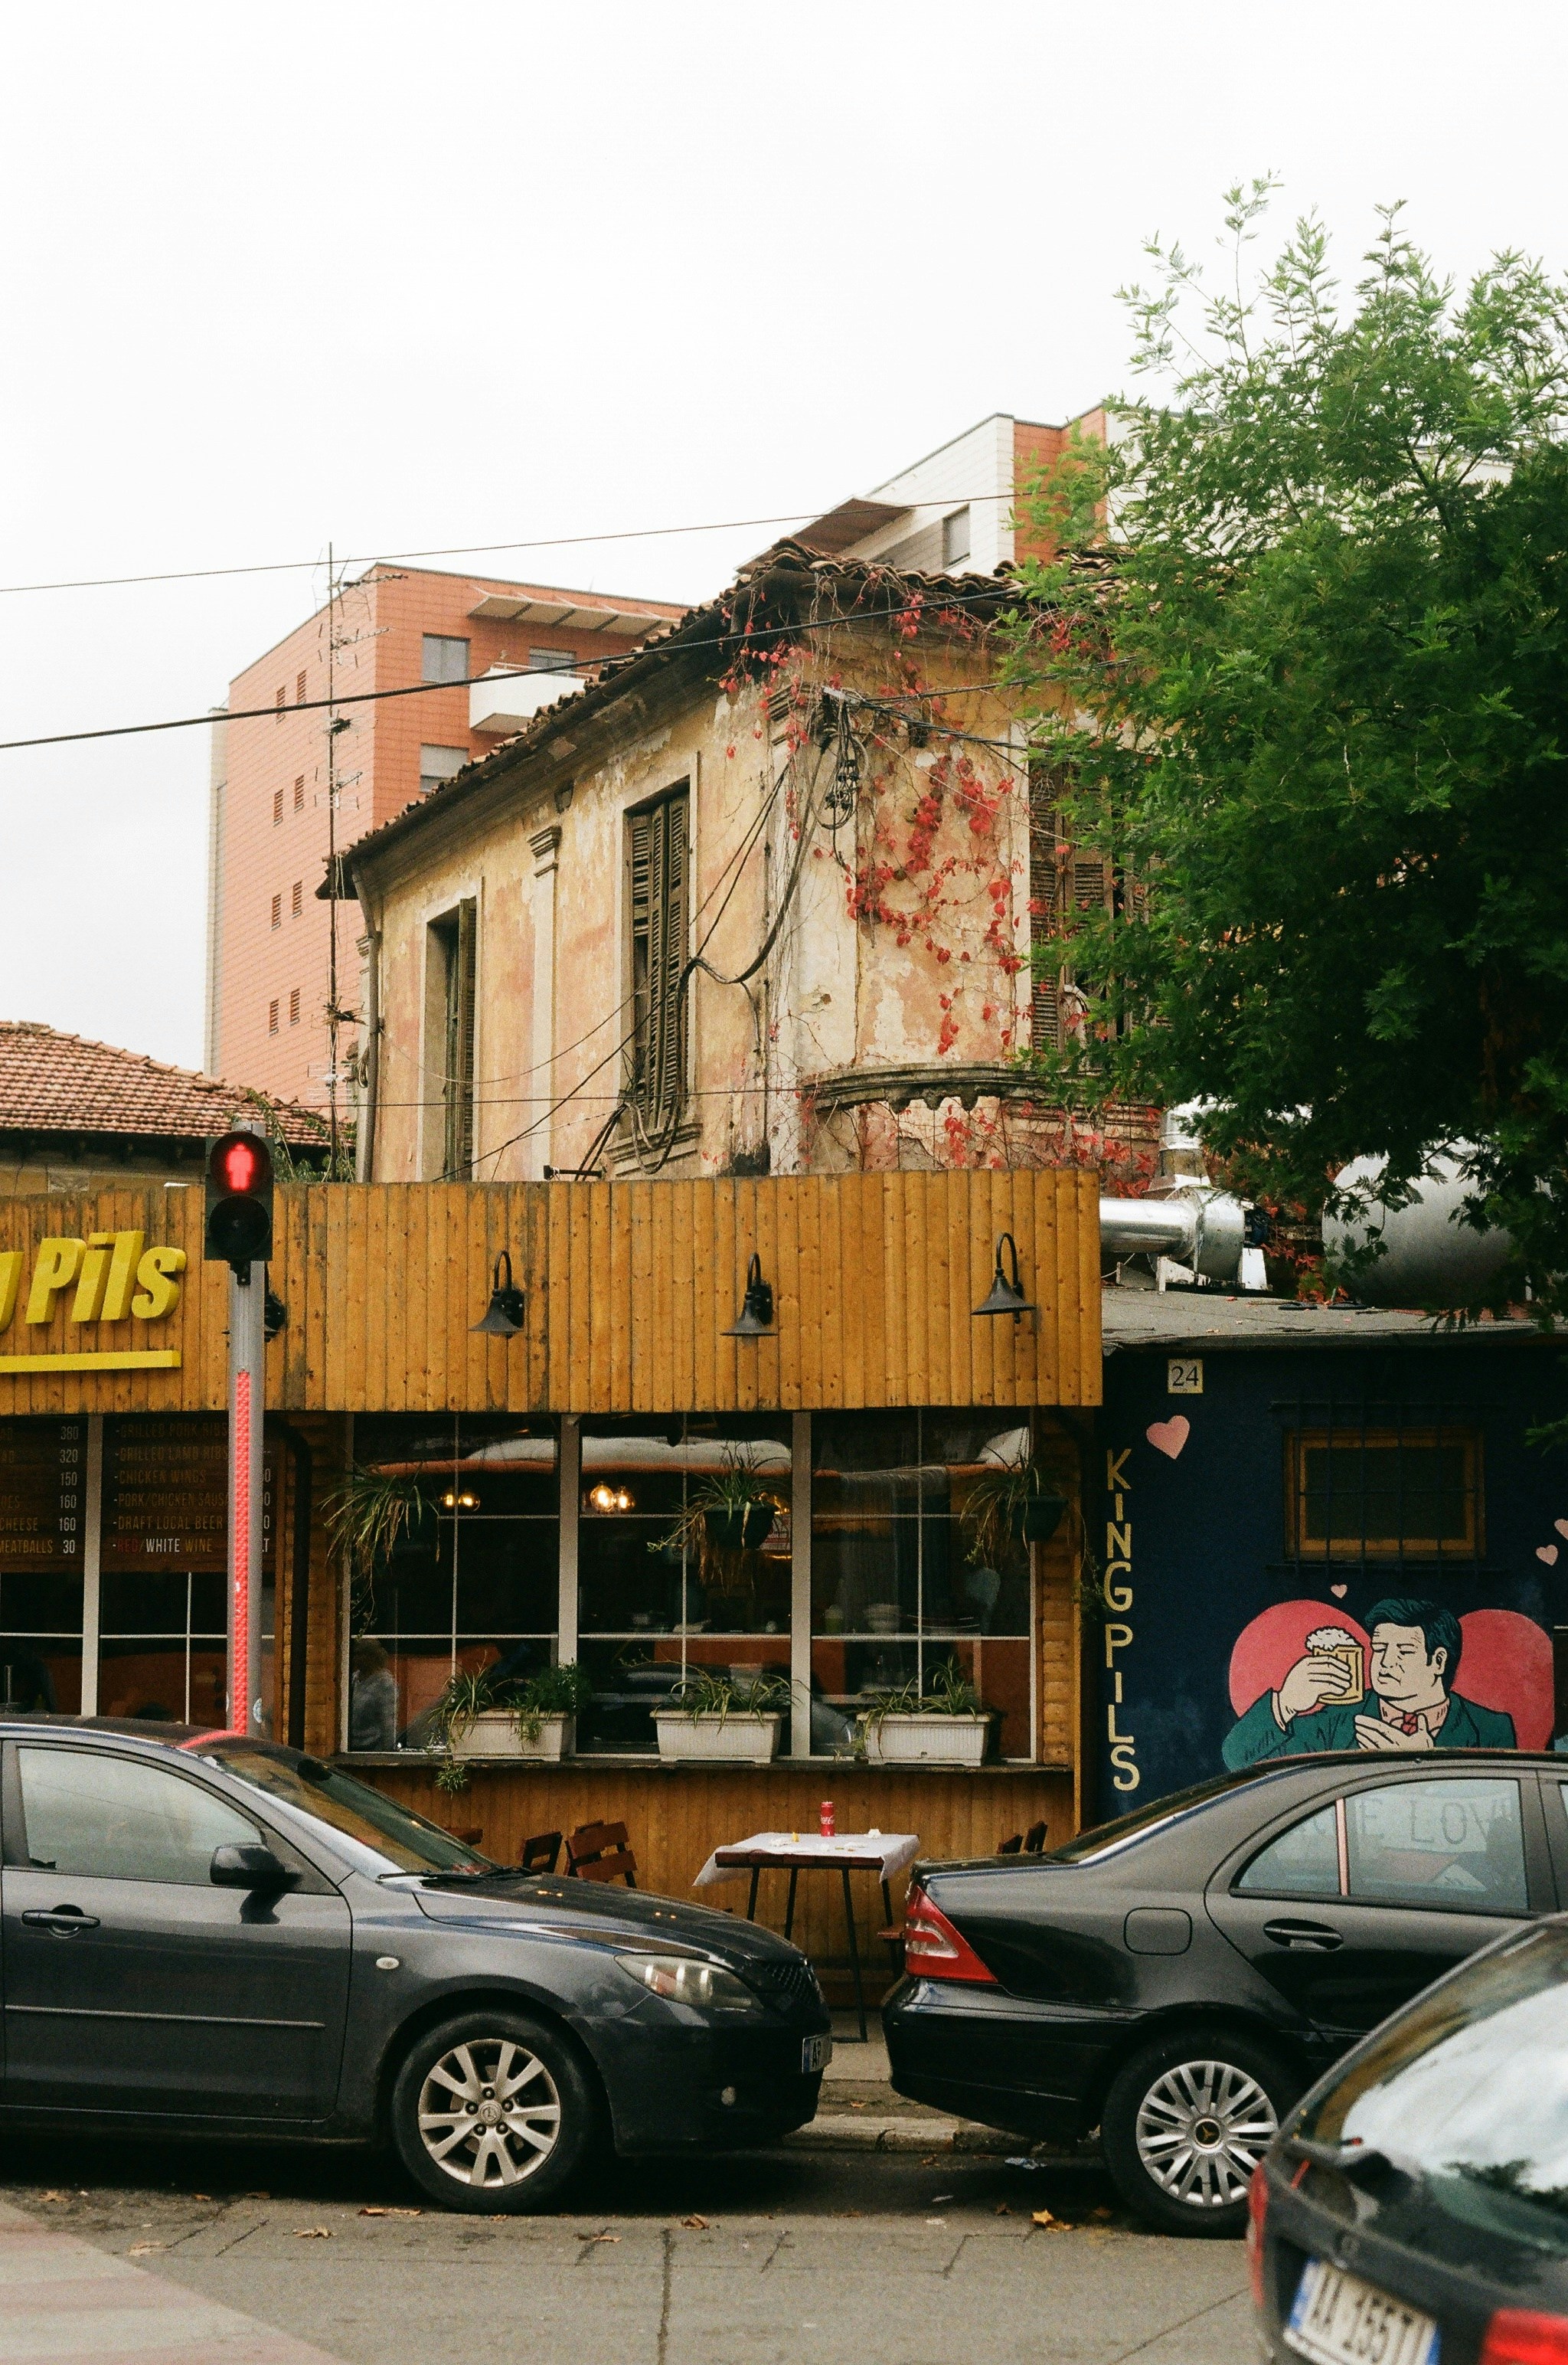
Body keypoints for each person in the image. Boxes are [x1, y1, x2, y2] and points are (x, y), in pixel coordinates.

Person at [1223, 1595, 1516, 1768]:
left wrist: (1426, 1765)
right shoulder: (1339, 1720)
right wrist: (1285, 1703)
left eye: (1403, 1651)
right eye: (1379, 1648)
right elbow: (1237, 1760)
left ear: (1438, 1661)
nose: (1386, 1662)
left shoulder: (1490, 1728)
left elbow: (1497, 1814)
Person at [348, 1637, 399, 1752]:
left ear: (371, 1657)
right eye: (355, 1654)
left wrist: (386, 1754)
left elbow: (388, 1723)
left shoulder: (385, 1684)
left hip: (372, 1748)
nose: (355, 1658)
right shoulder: (353, 1679)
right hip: (350, 1746)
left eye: (360, 1654)